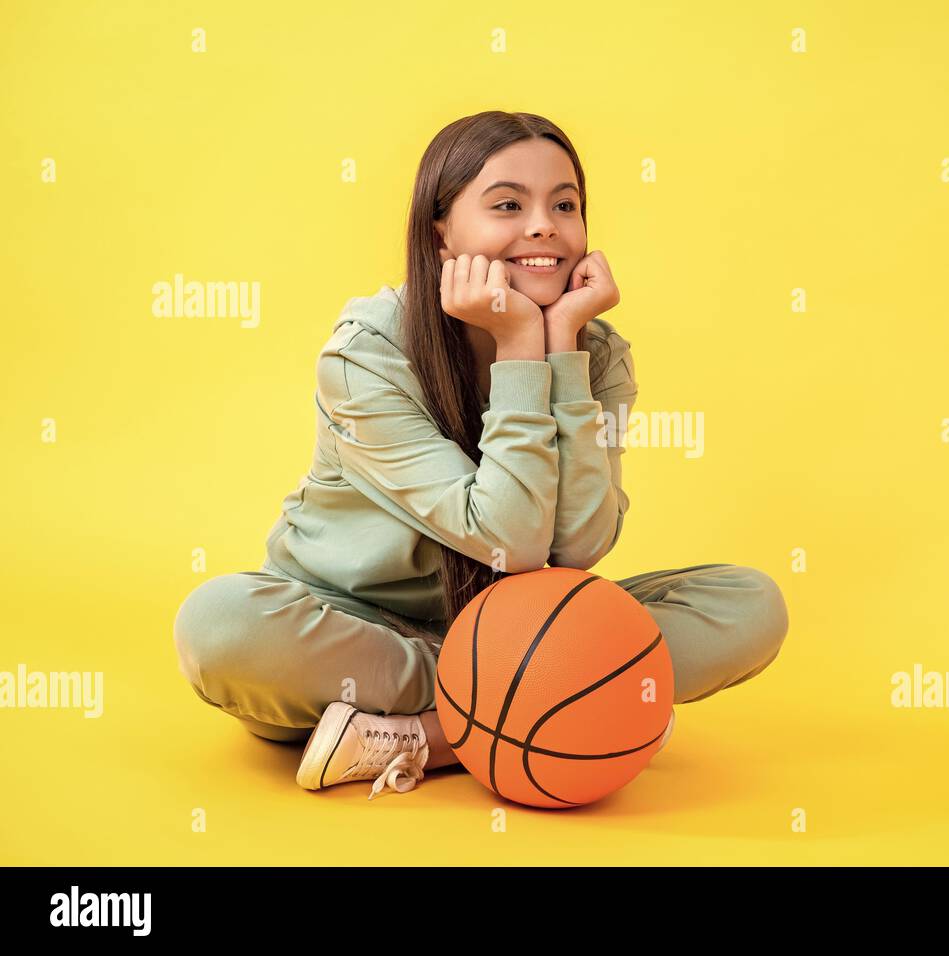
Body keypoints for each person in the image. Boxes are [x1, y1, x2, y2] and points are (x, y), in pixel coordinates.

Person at [172, 110, 790, 800]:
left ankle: (425, 739)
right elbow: (510, 541)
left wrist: (559, 351)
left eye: (565, 204)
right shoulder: (367, 353)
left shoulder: (597, 352)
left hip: (516, 629)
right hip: (355, 626)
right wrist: (518, 344)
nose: (543, 226)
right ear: (442, 234)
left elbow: (577, 545)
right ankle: (566, 711)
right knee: (220, 625)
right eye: (507, 205)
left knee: (751, 605)